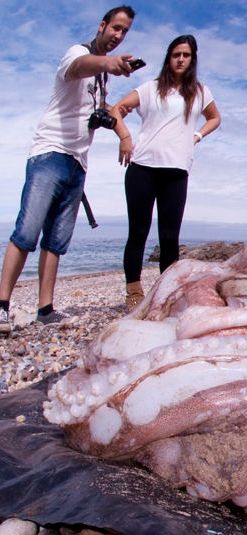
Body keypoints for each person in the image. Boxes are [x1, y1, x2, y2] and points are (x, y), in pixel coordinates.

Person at [0, 6, 137, 336]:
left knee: (56, 241)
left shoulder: (102, 79)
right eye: (115, 28)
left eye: (124, 31)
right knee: (27, 232)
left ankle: (45, 309)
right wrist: (109, 63)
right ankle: (2, 304)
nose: (118, 35)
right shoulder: (77, 53)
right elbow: (78, 68)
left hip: (78, 162)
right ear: (102, 26)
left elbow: (100, 109)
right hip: (50, 154)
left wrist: (123, 132)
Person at [110, 34, 221, 308]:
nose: (181, 59)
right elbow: (116, 109)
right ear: (169, 58)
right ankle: (133, 292)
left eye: (186, 55)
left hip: (176, 171)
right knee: (138, 232)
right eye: (176, 54)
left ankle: (166, 294)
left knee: (170, 237)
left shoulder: (200, 92)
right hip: (142, 168)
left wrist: (197, 135)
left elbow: (215, 118)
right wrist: (125, 138)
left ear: (193, 59)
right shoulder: (150, 88)